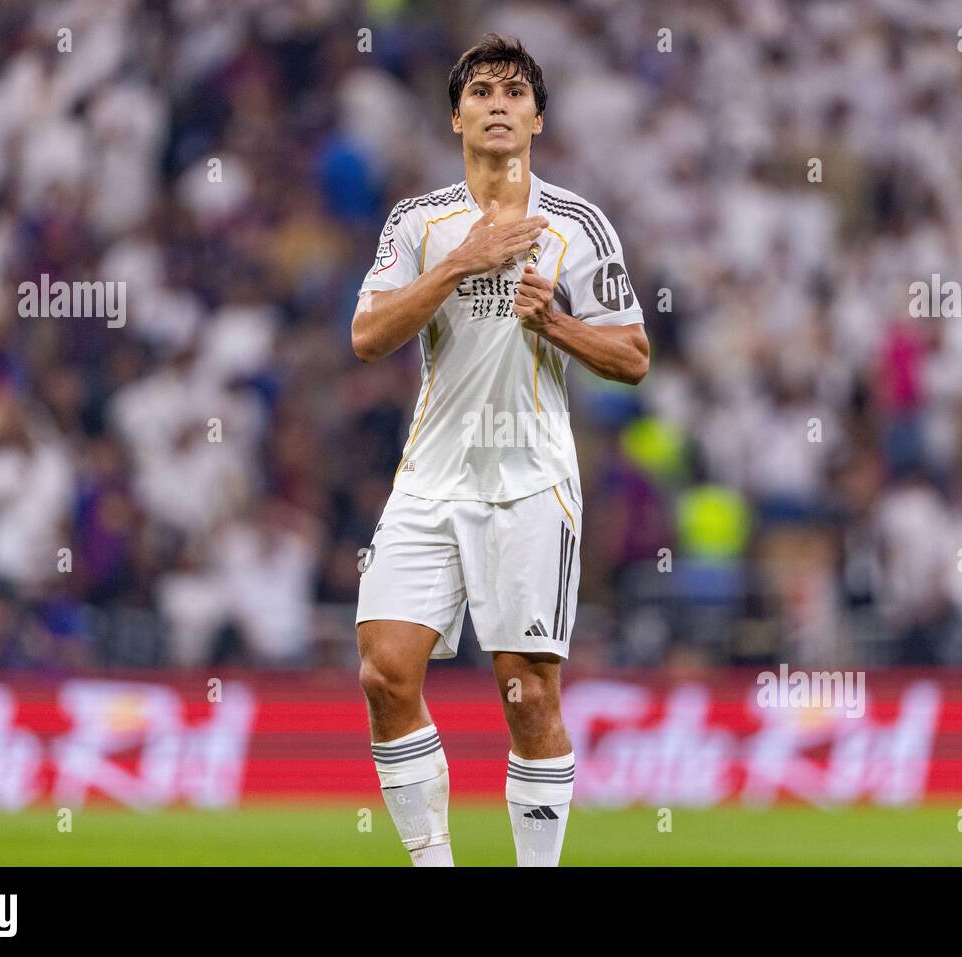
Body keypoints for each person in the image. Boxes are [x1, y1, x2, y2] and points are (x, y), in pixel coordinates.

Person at [350, 33, 649, 866]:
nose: (497, 103)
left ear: (537, 121)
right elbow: (368, 334)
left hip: (529, 481)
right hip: (430, 478)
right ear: (456, 117)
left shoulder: (577, 226)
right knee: (384, 672)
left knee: (527, 692)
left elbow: (632, 356)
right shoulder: (419, 222)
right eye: (481, 91)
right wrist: (463, 264)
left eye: (514, 93)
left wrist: (555, 321)